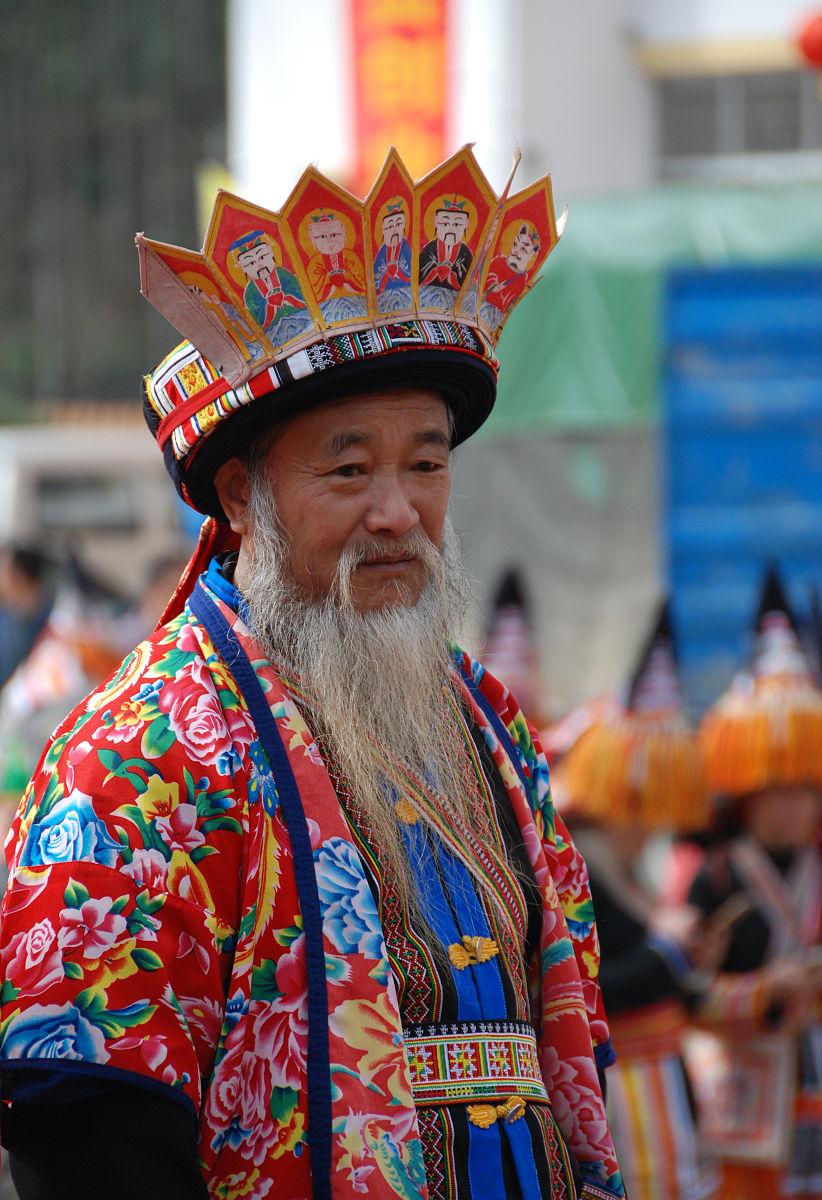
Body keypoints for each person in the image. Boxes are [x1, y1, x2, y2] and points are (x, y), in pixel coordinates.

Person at [0, 147, 625, 1200]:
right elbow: (88, 1123)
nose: (397, 510)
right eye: (348, 468)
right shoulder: (142, 753)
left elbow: (570, 1042)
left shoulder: (485, 721)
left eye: (425, 464)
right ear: (242, 497)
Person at [547, 603, 721, 1200]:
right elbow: (585, 992)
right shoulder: (584, 873)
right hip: (624, 1093)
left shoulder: (628, 870)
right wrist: (667, 953)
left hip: (662, 1084)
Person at [686, 566, 822, 1200]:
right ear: (746, 795)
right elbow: (686, 992)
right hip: (742, 1094)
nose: (796, 808)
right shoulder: (713, 878)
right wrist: (768, 988)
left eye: (809, 792)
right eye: (779, 792)